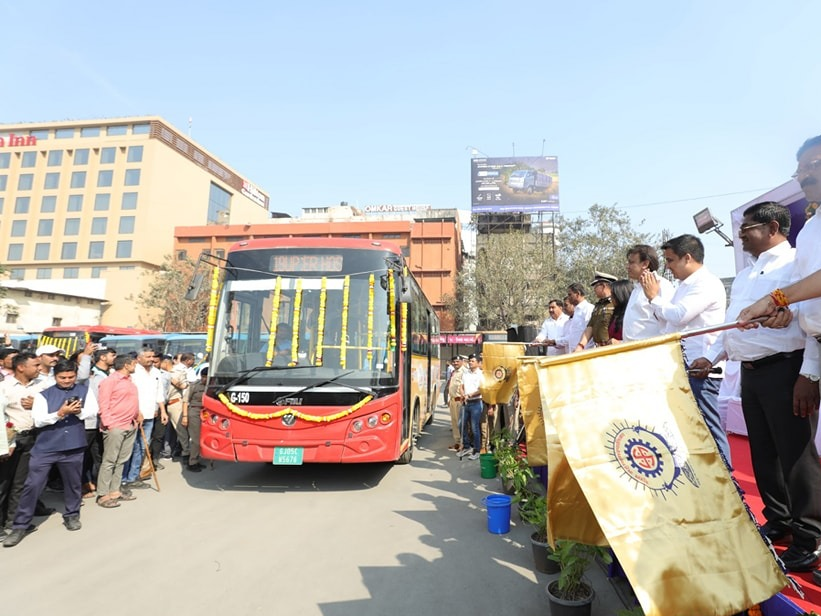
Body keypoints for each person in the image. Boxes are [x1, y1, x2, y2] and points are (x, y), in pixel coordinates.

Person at [690, 201, 821, 572]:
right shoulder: (747, 275)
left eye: (746, 228)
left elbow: (810, 316)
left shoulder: (796, 263)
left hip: (787, 369)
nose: (741, 235)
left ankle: (809, 537)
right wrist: (712, 357)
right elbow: (733, 324)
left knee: (796, 456)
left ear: (773, 228)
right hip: (751, 372)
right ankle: (779, 520)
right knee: (764, 454)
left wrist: (809, 373)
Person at [639, 234, 731, 464]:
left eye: (671, 260)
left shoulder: (706, 283)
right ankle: (706, 477)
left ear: (687, 258)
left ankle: (728, 478)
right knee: (690, 429)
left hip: (703, 366)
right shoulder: (684, 286)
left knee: (708, 428)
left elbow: (679, 316)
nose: (668, 267)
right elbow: (669, 325)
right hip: (683, 366)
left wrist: (654, 298)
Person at [3, 359, 98, 547]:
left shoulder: (84, 390)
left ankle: (72, 514)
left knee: (73, 484)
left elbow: (93, 411)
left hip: (73, 446)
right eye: (63, 377)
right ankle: (20, 525)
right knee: (32, 485)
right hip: (46, 447)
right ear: (55, 377)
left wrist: (77, 412)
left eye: (71, 377)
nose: (67, 381)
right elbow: (38, 420)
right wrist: (60, 413)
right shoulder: (43, 395)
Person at [0, 352, 48, 535]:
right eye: (35, 365)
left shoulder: (42, 385)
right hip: (11, 441)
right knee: (3, 483)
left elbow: (53, 406)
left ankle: (14, 522)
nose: (39, 369)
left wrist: (38, 404)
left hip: (32, 438)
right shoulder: (4, 387)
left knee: (21, 484)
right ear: (21, 367)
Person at [96, 355, 141, 508]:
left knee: (121, 460)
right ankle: (103, 494)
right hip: (115, 426)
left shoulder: (129, 381)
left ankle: (115, 490)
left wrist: (137, 415)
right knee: (109, 461)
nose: (135, 366)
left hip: (130, 425)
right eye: (133, 363)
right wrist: (109, 424)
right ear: (126, 365)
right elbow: (103, 404)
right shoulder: (110, 381)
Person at [122, 348, 166, 489]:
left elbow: (159, 393)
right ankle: (122, 479)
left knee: (142, 447)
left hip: (150, 415)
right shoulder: (133, 372)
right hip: (134, 416)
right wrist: (137, 411)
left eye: (152, 356)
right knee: (129, 447)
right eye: (147, 356)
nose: (151, 359)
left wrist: (162, 411)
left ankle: (133, 477)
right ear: (139, 358)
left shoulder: (156, 372)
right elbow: (130, 395)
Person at [623, 244, 674, 341]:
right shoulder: (636, 289)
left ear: (645, 264)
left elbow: (671, 318)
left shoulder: (662, 285)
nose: (627, 267)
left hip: (653, 347)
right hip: (633, 348)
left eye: (631, 262)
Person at [575, 272, 617, 350]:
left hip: (613, 348)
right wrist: (581, 345)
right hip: (598, 348)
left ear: (603, 286)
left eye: (596, 286)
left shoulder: (616, 303)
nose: (594, 289)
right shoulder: (598, 306)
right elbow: (590, 326)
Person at [457, 354, 483, 461]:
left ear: (478, 363)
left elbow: (481, 390)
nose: (470, 363)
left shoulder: (481, 374)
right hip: (466, 402)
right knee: (461, 424)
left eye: (473, 361)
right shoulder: (466, 373)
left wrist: (470, 395)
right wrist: (463, 394)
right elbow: (461, 386)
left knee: (474, 427)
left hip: (476, 403)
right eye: (470, 361)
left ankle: (477, 450)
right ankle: (467, 446)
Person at [183, 367, 208, 472]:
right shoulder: (194, 386)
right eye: (203, 376)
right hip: (195, 412)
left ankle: (198, 459)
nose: (204, 379)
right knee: (196, 440)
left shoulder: (212, 386)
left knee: (204, 439)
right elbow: (185, 401)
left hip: (207, 413)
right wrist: (185, 417)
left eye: (206, 377)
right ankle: (192, 462)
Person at [559, 283, 594, 352]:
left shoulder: (588, 309)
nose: (568, 297)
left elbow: (590, 330)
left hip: (584, 352)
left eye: (570, 295)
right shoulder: (576, 311)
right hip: (575, 352)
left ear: (577, 294)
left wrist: (581, 347)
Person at [446, 356, 467, 451]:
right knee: (454, 422)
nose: (455, 363)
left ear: (462, 362)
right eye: (454, 362)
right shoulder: (454, 372)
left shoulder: (464, 372)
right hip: (453, 400)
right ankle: (457, 442)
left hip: (459, 400)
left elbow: (465, 386)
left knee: (460, 423)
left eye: (457, 361)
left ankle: (463, 443)